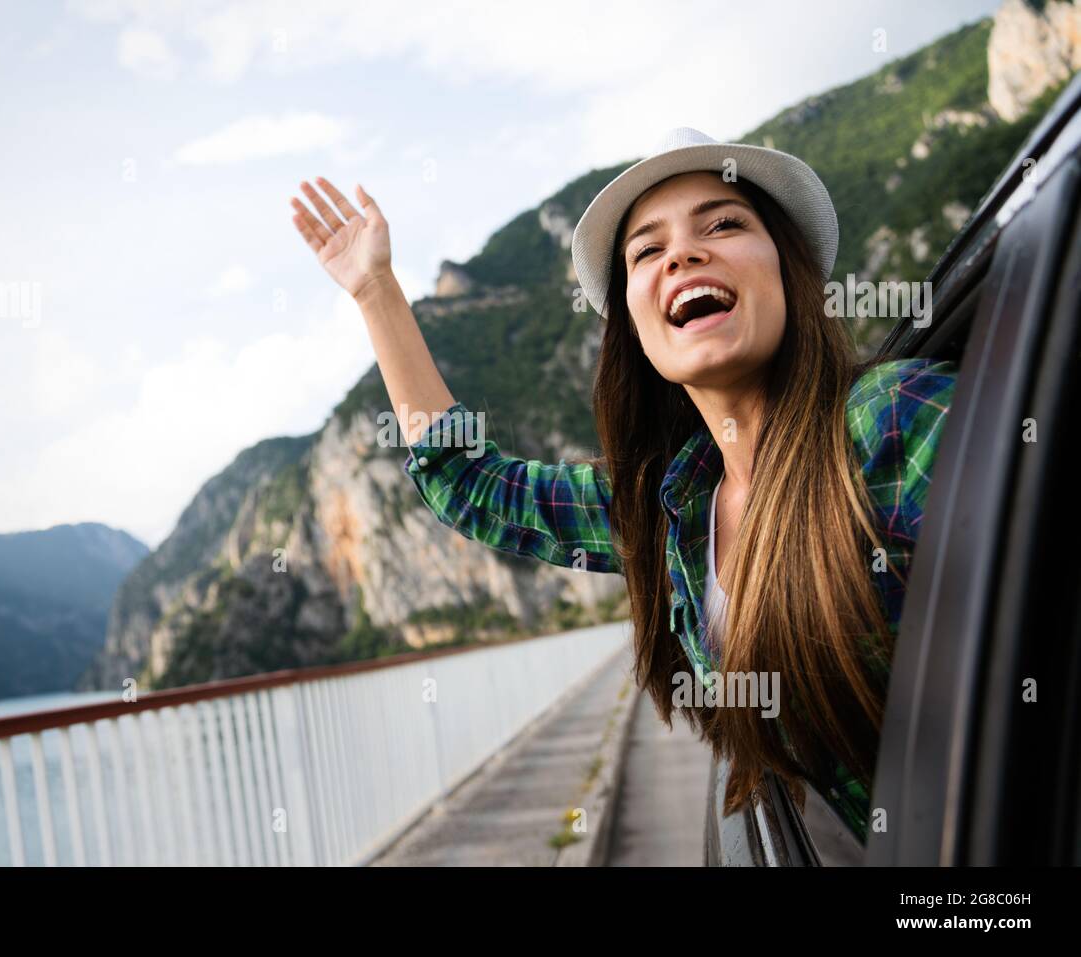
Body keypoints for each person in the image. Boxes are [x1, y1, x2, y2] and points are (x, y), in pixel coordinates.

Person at [289, 127, 958, 846]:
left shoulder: (894, 421)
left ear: (789, 270)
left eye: (723, 224)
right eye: (647, 250)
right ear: (635, 325)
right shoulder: (672, 508)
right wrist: (375, 291)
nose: (682, 254)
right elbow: (471, 484)